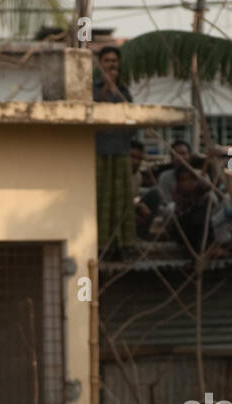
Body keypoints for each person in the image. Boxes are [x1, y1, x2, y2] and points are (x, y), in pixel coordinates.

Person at [93, 46, 136, 256]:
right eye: (107, 60)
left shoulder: (125, 91)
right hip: (99, 151)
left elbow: (131, 113)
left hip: (120, 150)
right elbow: (91, 112)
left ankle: (124, 243)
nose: (111, 64)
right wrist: (105, 88)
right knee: (101, 199)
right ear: (100, 64)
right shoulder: (92, 89)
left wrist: (115, 89)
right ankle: (101, 245)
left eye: (114, 61)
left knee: (122, 200)